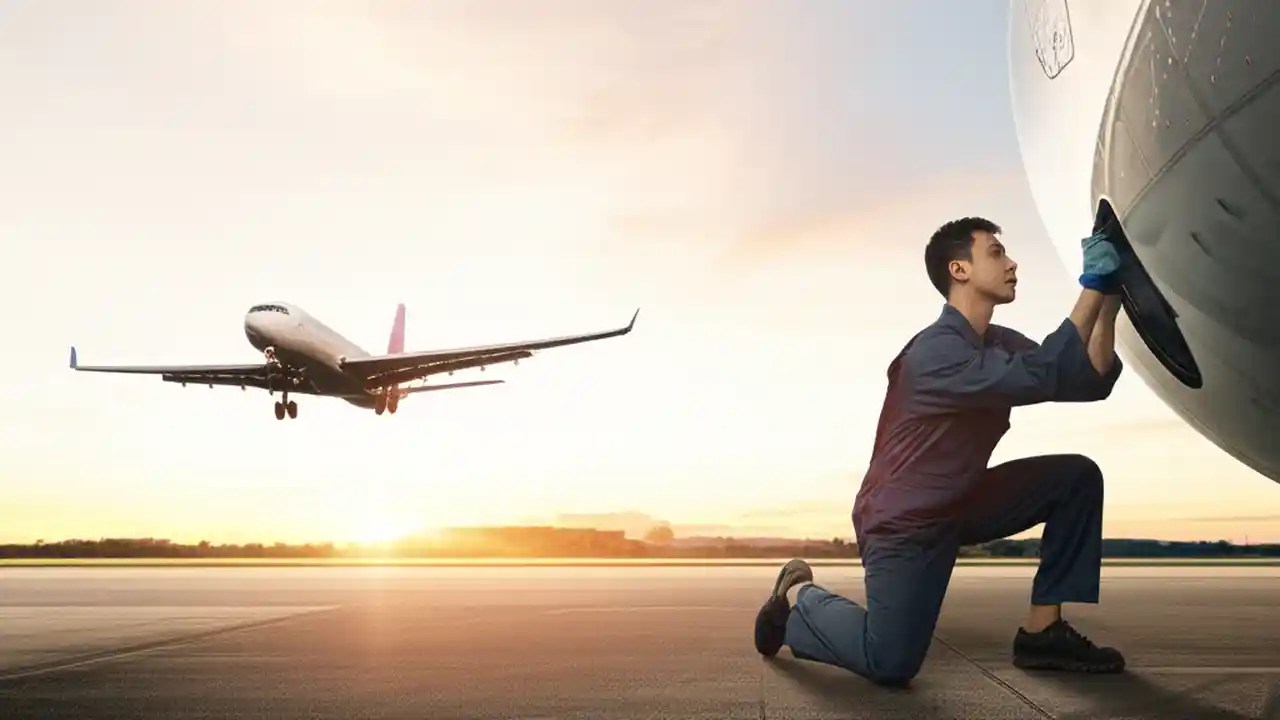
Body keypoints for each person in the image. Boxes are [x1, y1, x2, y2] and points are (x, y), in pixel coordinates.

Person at [753, 217, 1128, 684]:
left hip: (962, 500)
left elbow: (1083, 380)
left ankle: (1042, 633)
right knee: (890, 662)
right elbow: (1044, 369)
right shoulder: (936, 353)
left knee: (1076, 478)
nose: (1012, 263)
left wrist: (1108, 302)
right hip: (904, 523)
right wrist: (1090, 284)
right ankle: (799, 603)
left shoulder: (997, 343)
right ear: (959, 269)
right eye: (995, 253)